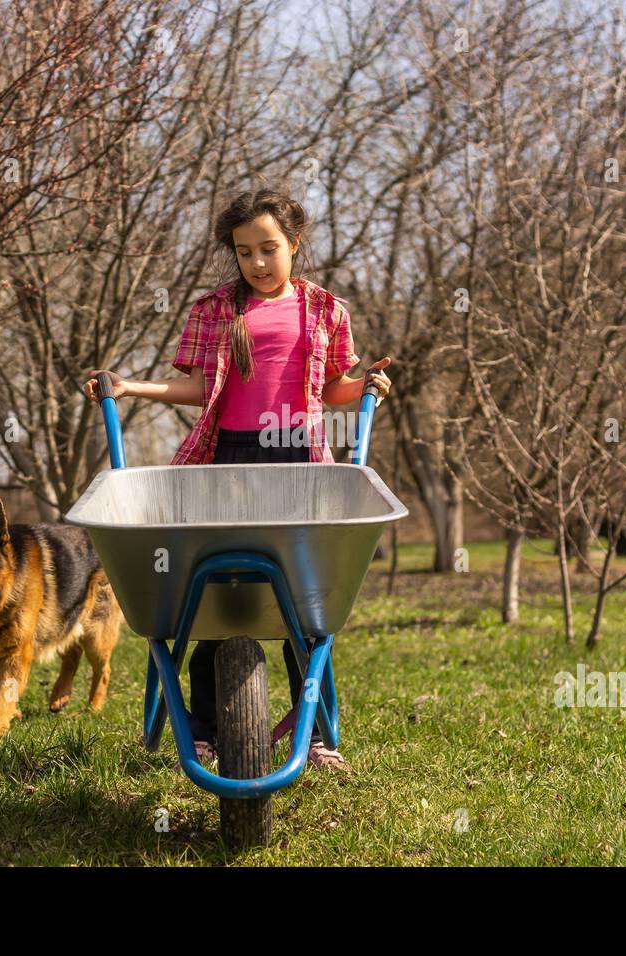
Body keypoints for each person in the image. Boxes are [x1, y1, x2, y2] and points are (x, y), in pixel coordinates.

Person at [84, 188, 391, 771]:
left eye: (269, 248)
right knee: (217, 598)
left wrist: (368, 386)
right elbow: (202, 390)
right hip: (229, 459)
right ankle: (200, 730)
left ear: (294, 244)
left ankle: (315, 733)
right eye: (244, 251)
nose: (257, 262)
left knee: (306, 609)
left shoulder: (326, 310)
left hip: (299, 458)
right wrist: (130, 388)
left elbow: (332, 391)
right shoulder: (215, 310)